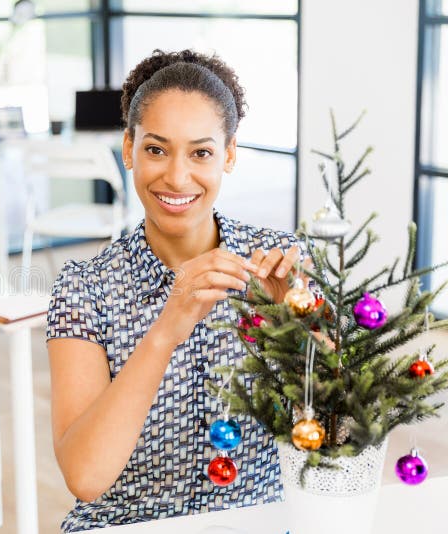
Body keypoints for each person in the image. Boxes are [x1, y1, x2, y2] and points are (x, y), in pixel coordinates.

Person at [46, 49, 306, 531]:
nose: (177, 176)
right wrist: (167, 329)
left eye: (201, 152)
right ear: (129, 149)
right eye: (156, 149)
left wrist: (298, 330)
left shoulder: (280, 262)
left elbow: (346, 426)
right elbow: (85, 477)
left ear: (228, 156)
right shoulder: (85, 286)